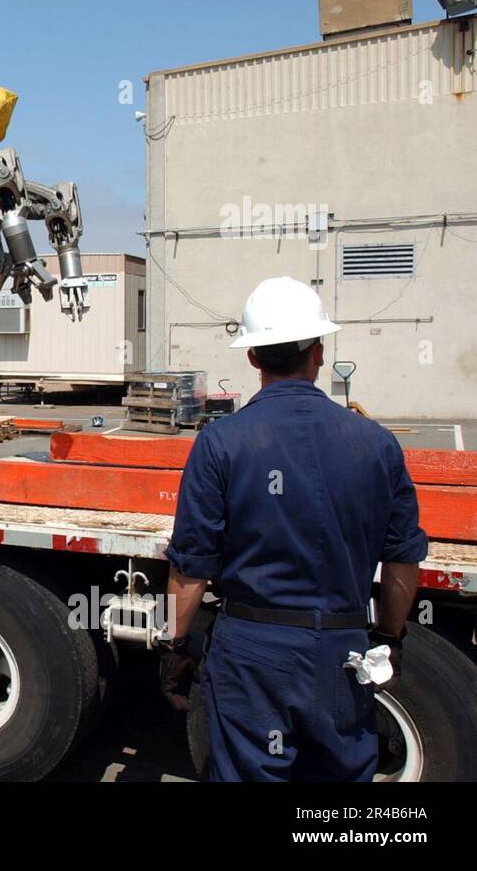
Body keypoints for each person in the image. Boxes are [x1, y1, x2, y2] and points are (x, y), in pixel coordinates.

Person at [159, 277, 426, 781]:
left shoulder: (221, 443)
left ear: (253, 358)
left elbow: (191, 567)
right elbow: (402, 559)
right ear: (319, 353)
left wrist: (177, 647)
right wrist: (390, 637)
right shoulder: (377, 444)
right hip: (341, 650)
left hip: (251, 654)